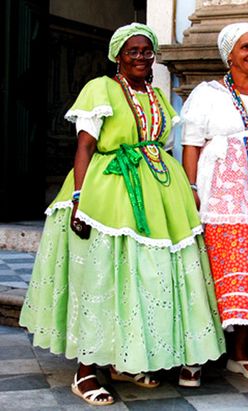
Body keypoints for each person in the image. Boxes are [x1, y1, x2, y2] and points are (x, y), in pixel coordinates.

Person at [19, 23, 225, 406]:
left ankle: (125, 360)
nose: (142, 57)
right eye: (133, 51)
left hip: (159, 194)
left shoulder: (156, 94)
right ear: (118, 56)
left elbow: (161, 143)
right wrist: (80, 198)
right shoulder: (101, 89)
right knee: (102, 278)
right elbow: (85, 146)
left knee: (144, 278)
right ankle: (85, 371)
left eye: (147, 51)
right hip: (109, 192)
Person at [181, 22, 248, 380]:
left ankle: (240, 352)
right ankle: (196, 353)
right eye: (245, 47)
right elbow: (191, 144)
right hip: (221, 196)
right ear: (229, 54)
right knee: (215, 268)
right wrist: (191, 191)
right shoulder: (208, 92)